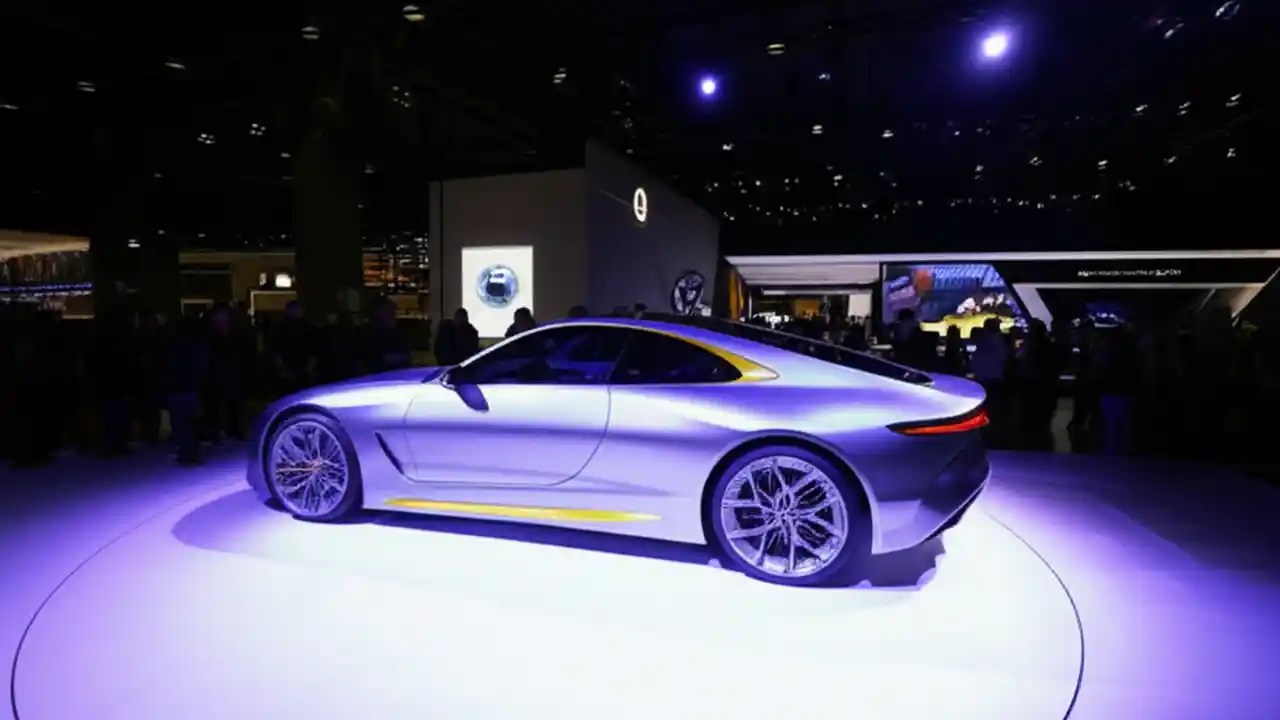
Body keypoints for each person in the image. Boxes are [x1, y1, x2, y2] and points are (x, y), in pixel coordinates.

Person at [205, 304, 248, 442]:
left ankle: (235, 433)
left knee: (235, 407)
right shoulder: (210, 337)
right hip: (214, 378)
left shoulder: (238, 336)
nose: (221, 320)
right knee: (214, 408)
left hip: (234, 377)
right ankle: (215, 434)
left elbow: (244, 357)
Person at [269, 301, 316, 395]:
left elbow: (274, 350)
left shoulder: (280, 328)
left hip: (292, 368)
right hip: (300, 368)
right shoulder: (306, 328)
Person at [364, 299, 412, 373]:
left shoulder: (399, 335)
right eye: (388, 315)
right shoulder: (368, 338)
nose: (393, 318)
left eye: (392, 314)